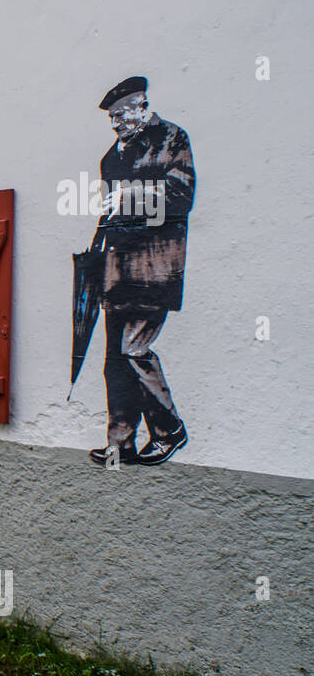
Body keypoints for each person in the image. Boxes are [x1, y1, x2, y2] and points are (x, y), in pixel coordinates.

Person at [87, 76, 193, 467]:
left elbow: (180, 197)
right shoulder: (112, 156)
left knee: (134, 350)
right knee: (115, 359)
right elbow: (109, 213)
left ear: (140, 105)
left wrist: (129, 199)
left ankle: (170, 430)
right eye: (111, 118)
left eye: (119, 115)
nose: (114, 124)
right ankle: (121, 442)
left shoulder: (171, 138)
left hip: (154, 268)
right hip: (116, 272)